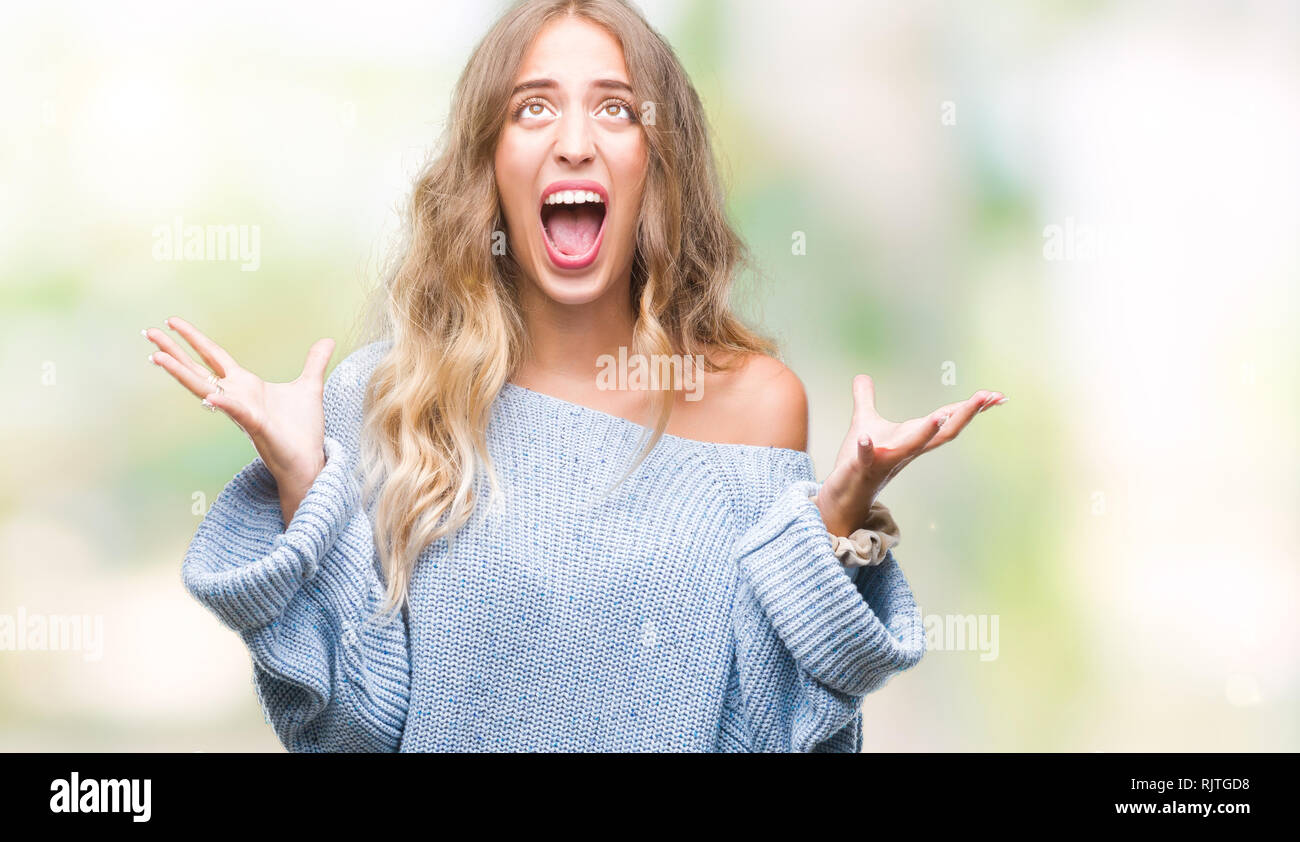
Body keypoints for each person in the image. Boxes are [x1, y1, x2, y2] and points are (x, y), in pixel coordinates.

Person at [146, 0, 1005, 752]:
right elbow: (353, 734)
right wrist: (303, 481)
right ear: (488, 162)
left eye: (616, 109)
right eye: (533, 108)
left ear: (657, 162)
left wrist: (839, 514)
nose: (573, 144)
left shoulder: (752, 404)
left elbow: (774, 727)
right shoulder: (387, 402)